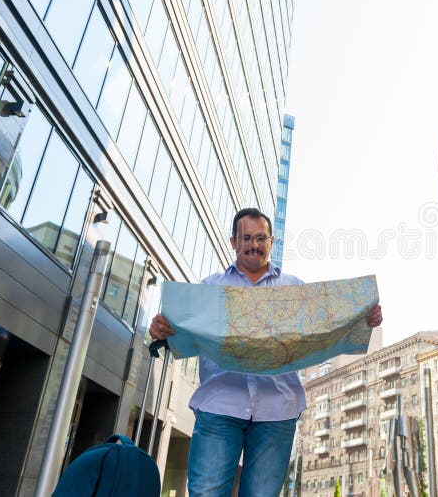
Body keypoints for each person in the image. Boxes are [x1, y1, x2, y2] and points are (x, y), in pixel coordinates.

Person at [150, 207, 383, 496]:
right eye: (246, 238)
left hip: (277, 409)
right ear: (233, 242)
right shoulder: (210, 288)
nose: (254, 245)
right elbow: (178, 331)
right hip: (220, 405)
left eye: (261, 238)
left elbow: (327, 325)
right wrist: (160, 329)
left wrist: (363, 317)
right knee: (206, 492)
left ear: (272, 241)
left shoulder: (293, 288)